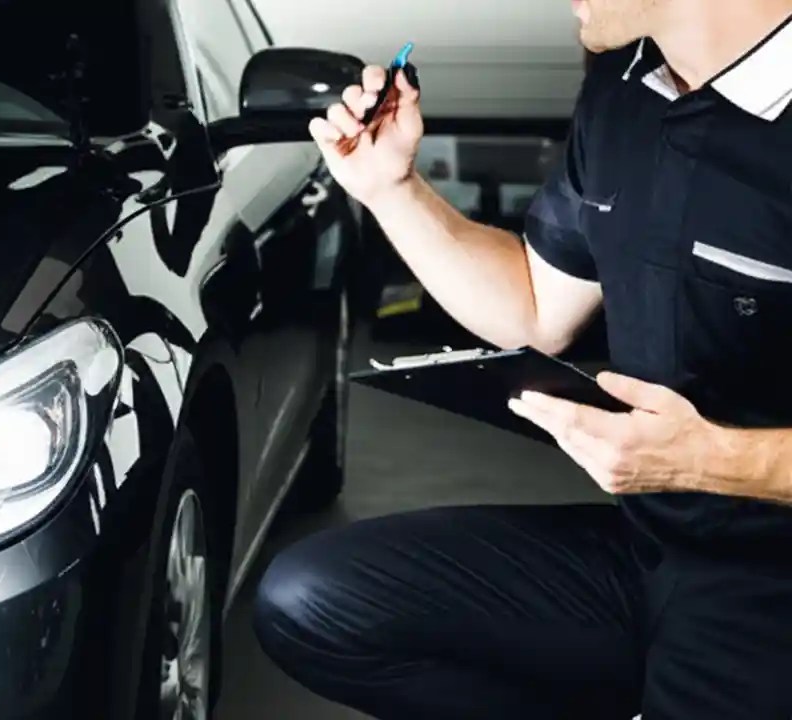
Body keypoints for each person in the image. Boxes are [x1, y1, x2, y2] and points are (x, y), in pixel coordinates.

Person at [252, 0, 792, 717]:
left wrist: (708, 461)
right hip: (651, 552)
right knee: (315, 603)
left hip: (773, 583)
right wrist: (392, 189)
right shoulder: (625, 86)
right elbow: (538, 305)